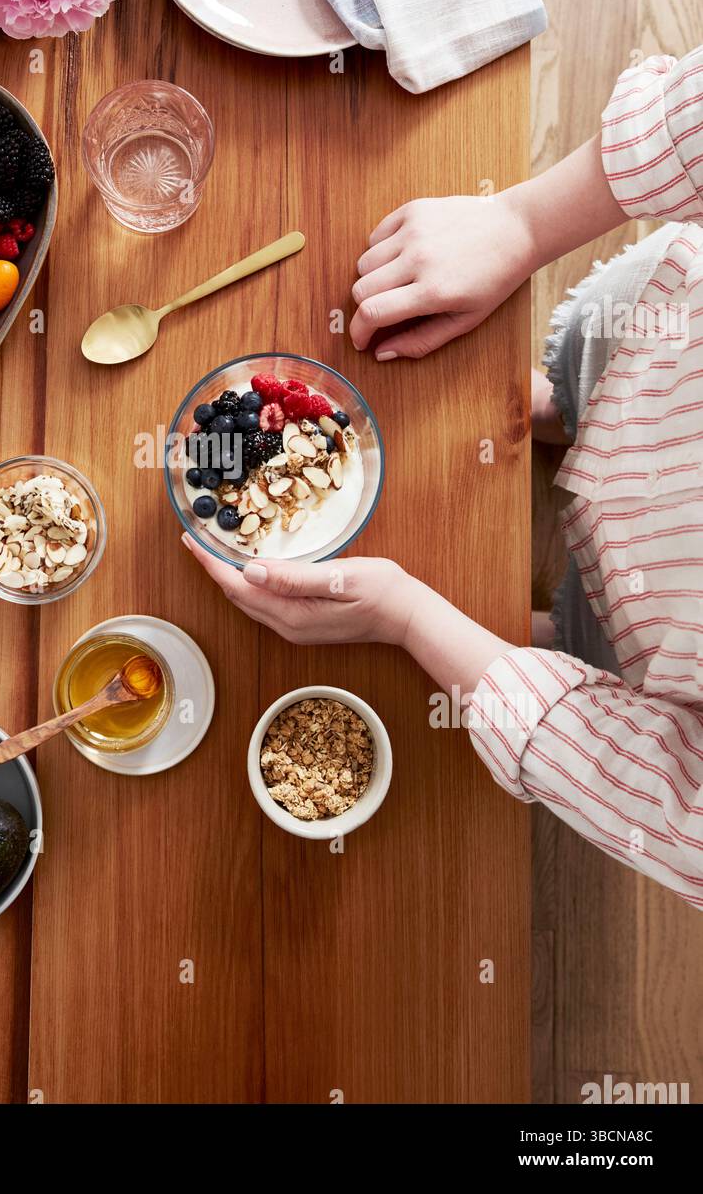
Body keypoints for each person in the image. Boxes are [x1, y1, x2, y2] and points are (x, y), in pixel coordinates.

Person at [185, 46, 703, 908]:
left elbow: (665, 795)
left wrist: (408, 615)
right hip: (659, 350)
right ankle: (557, 411)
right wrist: (525, 223)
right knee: (590, 363)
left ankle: (552, 480)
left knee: (571, 630)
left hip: (651, 639)